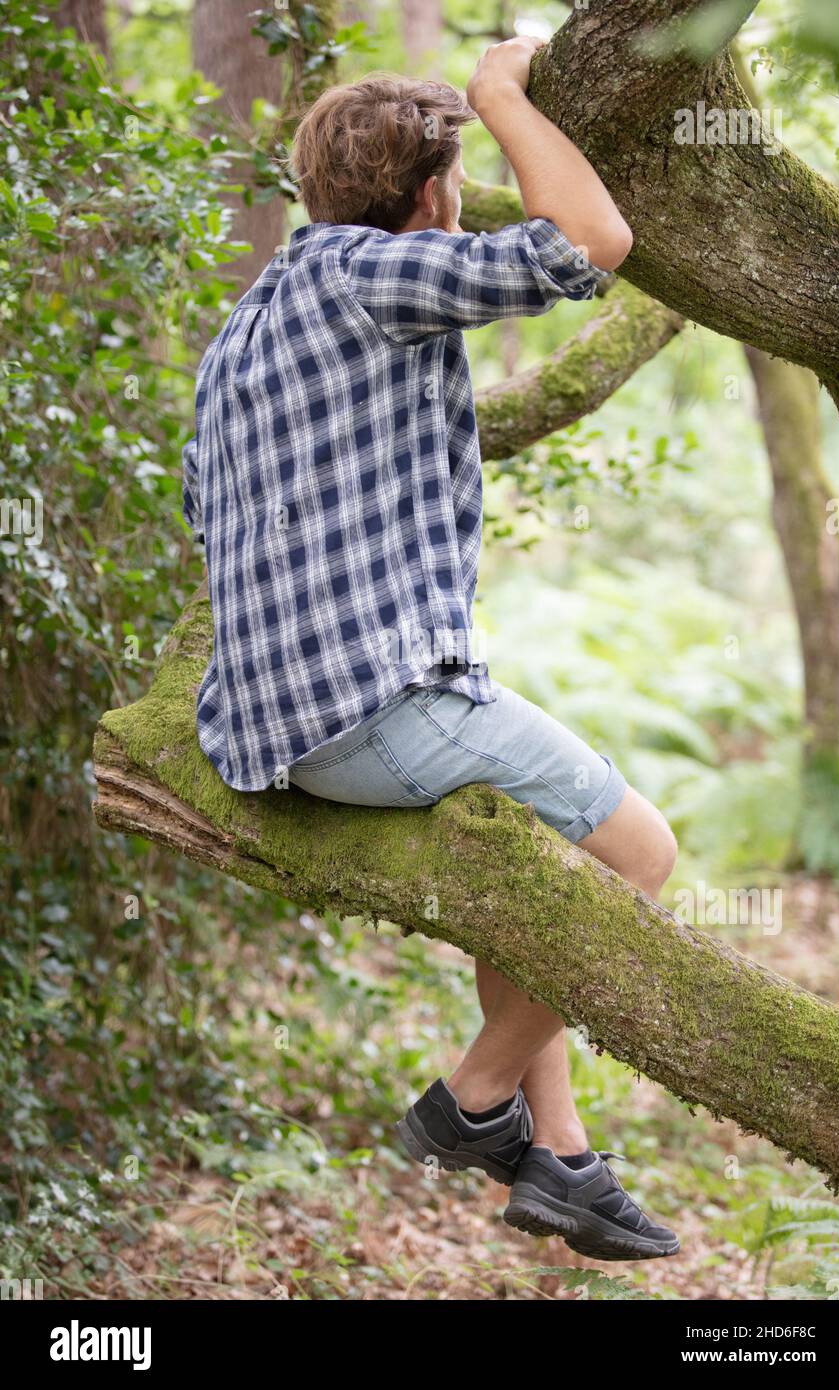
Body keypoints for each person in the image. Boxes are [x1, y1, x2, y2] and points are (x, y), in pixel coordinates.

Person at [182, 35, 680, 1261]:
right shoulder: (376, 271)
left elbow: (204, 510)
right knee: (638, 856)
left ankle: (558, 1158)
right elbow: (588, 244)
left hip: (272, 724)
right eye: (452, 189)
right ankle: (467, 1104)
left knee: (522, 871)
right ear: (431, 198)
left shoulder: (248, 324)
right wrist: (502, 94)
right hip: (373, 704)